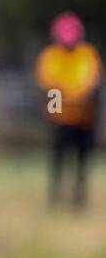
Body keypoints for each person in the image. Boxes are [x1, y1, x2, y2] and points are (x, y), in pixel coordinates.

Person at [35, 11, 101, 210]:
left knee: (82, 162)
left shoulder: (87, 54)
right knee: (58, 160)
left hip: (84, 119)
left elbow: (93, 81)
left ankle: (79, 199)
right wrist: (68, 100)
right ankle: (54, 197)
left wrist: (80, 95)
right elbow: (49, 86)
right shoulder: (51, 56)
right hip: (60, 119)